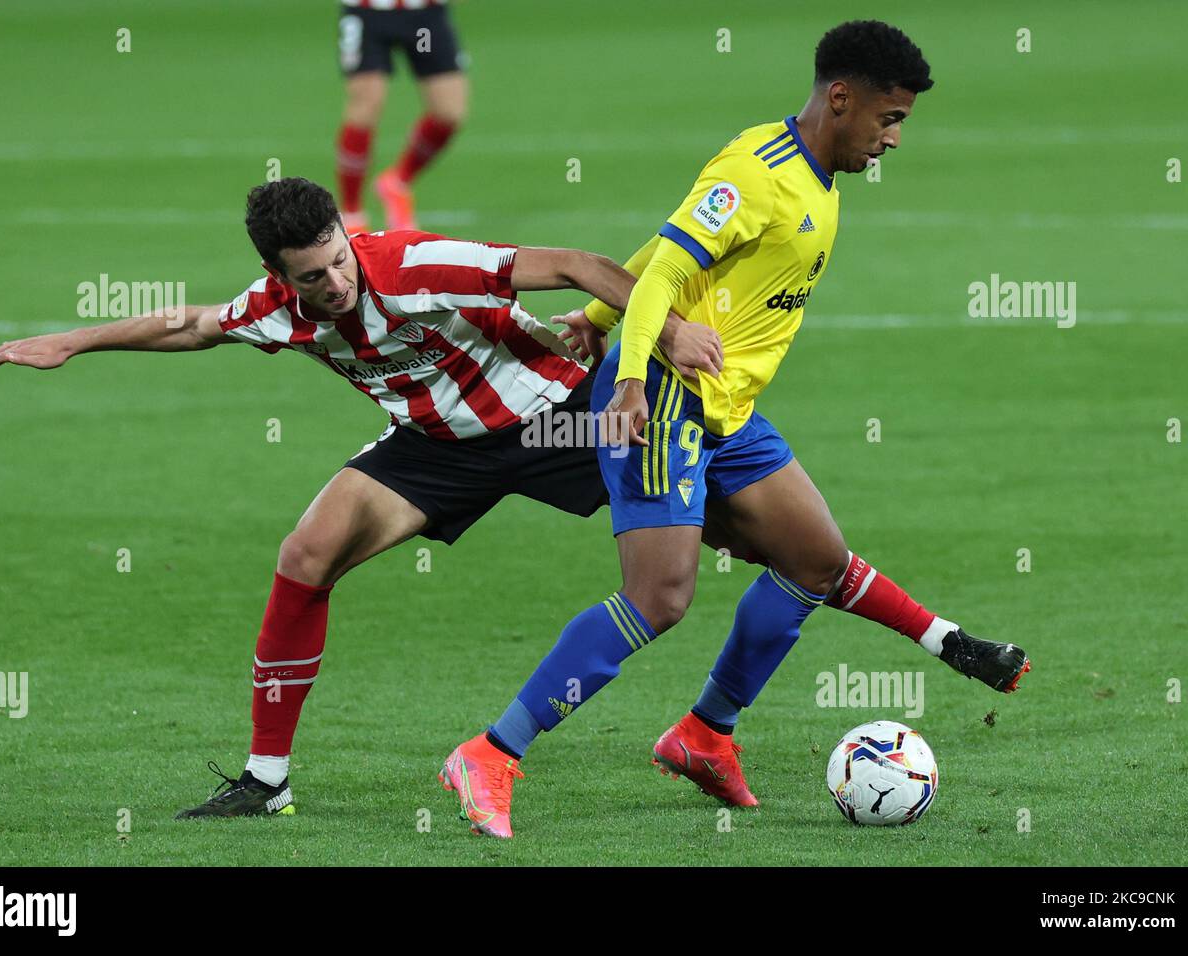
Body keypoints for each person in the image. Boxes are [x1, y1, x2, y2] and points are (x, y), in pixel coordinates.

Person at [441, 20, 1030, 839]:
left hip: (727, 408)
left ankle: (705, 733)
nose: (894, 138)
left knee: (814, 561)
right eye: (888, 119)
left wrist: (596, 309)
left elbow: (664, 245)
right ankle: (492, 752)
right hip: (663, 400)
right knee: (661, 595)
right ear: (841, 97)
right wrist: (633, 371)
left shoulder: (818, 183)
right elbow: (672, 274)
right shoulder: (759, 173)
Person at [0, 176, 724, 818]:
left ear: (345, 234)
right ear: (277, 275)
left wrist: (673, 333)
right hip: (437, 448)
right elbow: (195, 325)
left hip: (554, 420)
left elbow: (578, 266)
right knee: (306, 552)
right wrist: (74, 341)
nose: (335, 284)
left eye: (338, 260)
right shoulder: (275, 308)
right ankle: (266, 781)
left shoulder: (414, 264)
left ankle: (756, 662)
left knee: (739, 534)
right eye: (311, 278)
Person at [335, 0, 468, 233]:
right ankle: (351, 212)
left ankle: (397, 181)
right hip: (367, 12)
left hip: (424, 17)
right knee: (366, 102)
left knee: (449, 112)